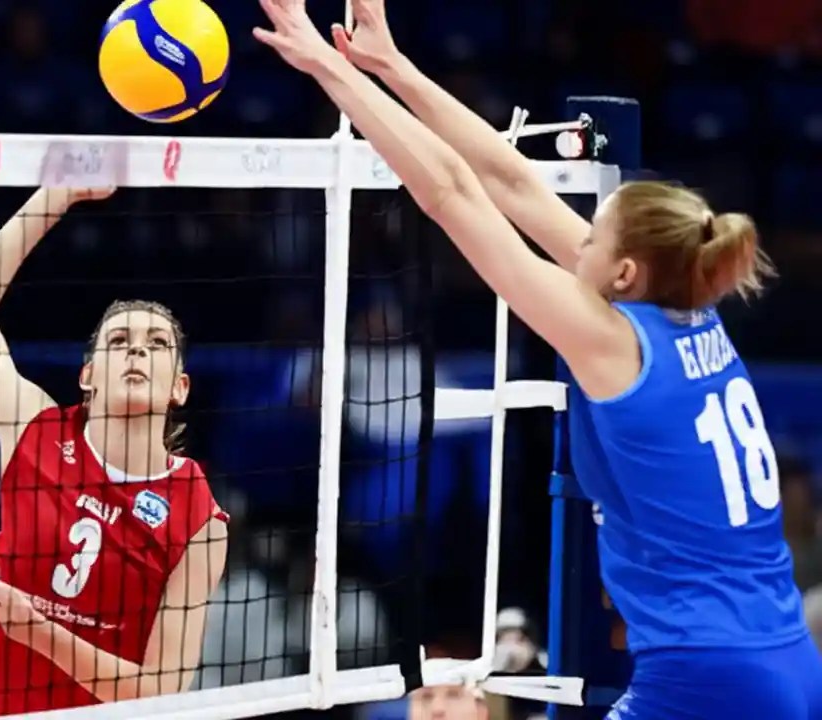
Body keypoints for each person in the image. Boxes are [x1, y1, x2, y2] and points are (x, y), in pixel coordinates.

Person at [253, 0, 822, 718]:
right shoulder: (689, 306)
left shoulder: (612, 339)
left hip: (706, 675)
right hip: (788, 658)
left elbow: (452, 192)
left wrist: (327, 69)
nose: (578, 240)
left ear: (622, 275)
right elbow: (515, 182)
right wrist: (393, 66)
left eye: (592, 239)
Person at [0, 187, 229, 716]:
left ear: (179, 388)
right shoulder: (33, 427)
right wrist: (56, 196)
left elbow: (160, 692)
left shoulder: (200, 519)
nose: (137, 349)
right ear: (88, 376)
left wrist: (40, 633)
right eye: (118, 341)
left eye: (157, 343)